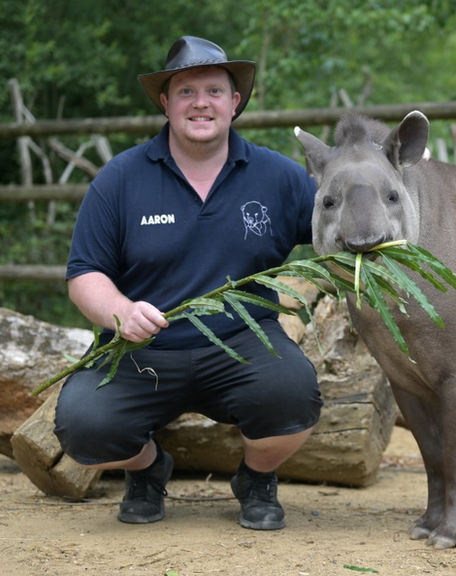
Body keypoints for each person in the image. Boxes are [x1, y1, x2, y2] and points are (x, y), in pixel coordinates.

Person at [54, 36, 322, 531]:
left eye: (215, 91)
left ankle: (256, 479)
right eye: (186, 91)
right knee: (83, 427)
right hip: (142, 348)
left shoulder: (278, 177)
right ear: (165, 102)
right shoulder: (120, 178)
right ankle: (148, 469)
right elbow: (84, 273)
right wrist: (120, 312)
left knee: (296, 397)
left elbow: (337, 227)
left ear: (235, 102)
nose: (201, 103)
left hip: (245, 342)